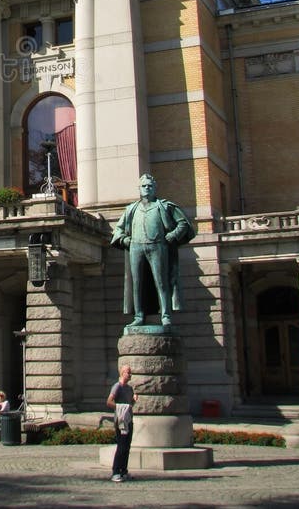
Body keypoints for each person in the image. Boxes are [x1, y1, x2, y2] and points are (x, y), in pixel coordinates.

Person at [111, 173, 195, 326]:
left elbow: (183, 224)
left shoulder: (164, 206)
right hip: (136, 247)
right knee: (137, 283)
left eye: (150, 186)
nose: (147, 188)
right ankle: (138, 316)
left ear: (155, 188)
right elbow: (118, 230)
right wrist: (125, 239)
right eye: (144, 186)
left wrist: (173, 235)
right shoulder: (131, 209)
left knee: (161, 282)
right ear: (139, 189)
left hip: (158, 246)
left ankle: (165, 315)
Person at [107, 364, 137, 482]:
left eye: (130, 372)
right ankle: (115, 471)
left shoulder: (129, 389)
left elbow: (130, 406)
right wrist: (120, 408)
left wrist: (133, 401)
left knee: (127, 447)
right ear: (122, 373)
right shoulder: (117, 387)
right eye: (128, 372)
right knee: (121, 446)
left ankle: (123, 471)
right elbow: (109, 402)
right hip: (120, 421)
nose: (130, 375)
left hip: (128, 420)